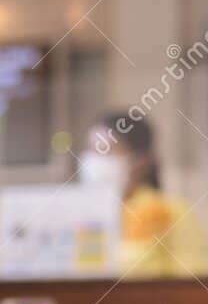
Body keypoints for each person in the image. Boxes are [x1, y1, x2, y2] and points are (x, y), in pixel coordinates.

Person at [83, 112, 206, 278]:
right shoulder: (85, 215)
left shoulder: (172, 209)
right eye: (91, 150)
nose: (94, 160)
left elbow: (194, 280)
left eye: (105, 149)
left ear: (139, 160)